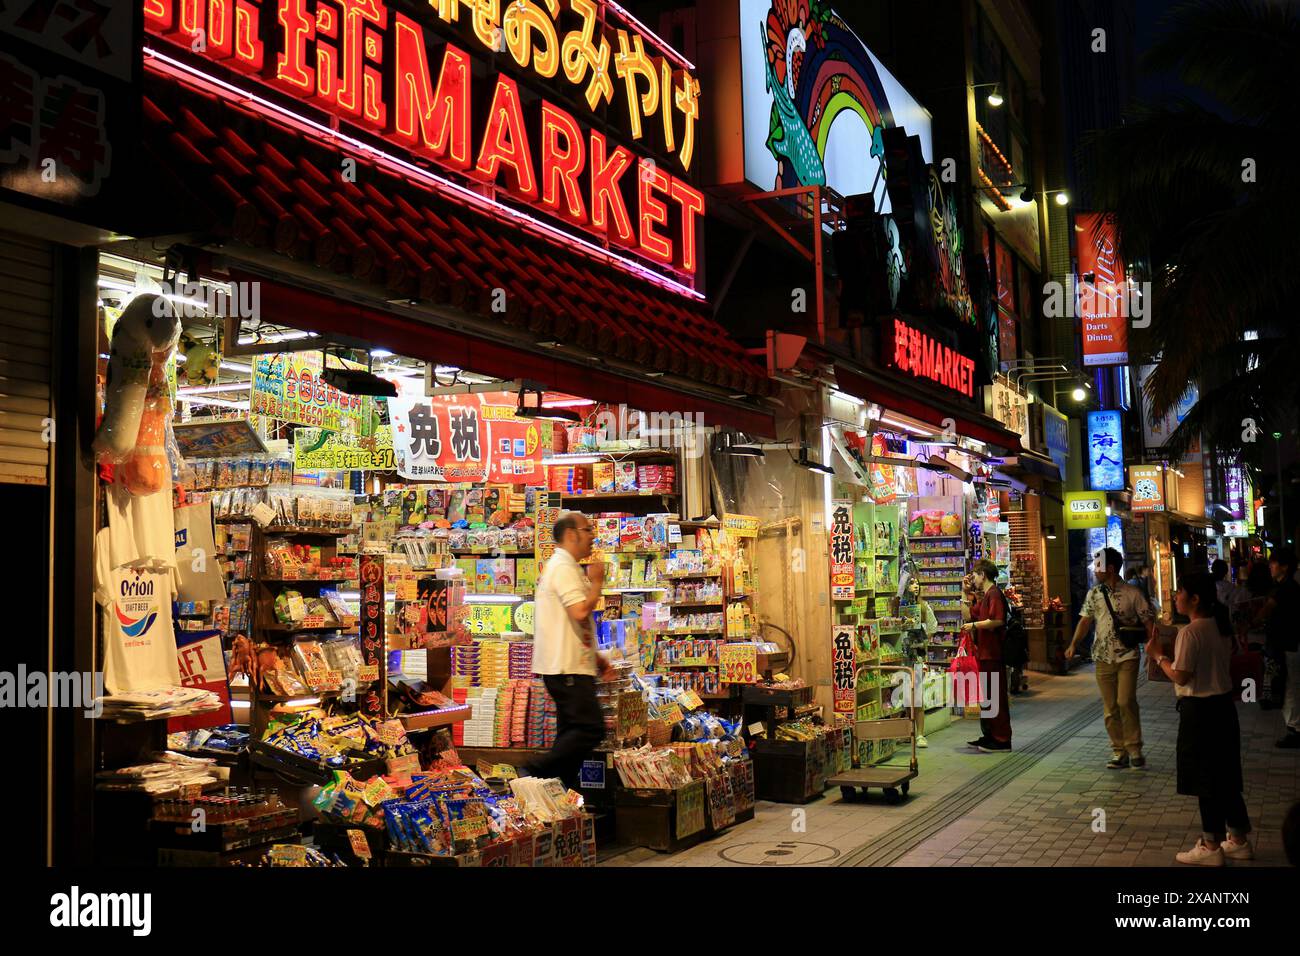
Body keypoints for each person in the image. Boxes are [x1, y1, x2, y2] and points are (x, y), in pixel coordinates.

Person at [1146, 572, 1253, 865]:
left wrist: (1158, 656)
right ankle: (1238, 839)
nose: (1175, 595)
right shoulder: (1221, 627)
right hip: (1224, 709)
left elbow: (1181, 675)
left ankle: (1210, 845)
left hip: (1200, 712)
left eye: (1180, 591)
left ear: (1194, 599)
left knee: (1206, 780)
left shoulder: (1190, 633)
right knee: (1227, 776)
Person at [518, 512, 617, 787]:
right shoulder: (562, 567)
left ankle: (562, 793)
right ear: (571, 534)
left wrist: (596, 659)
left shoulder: (568, 567)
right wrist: (597, 582)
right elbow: (580, 611)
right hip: (566, 669)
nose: (592, 537)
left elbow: (575, 624)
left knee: (571, 733)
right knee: (590, 728)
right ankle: (533, 771)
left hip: (572, 666)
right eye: (588, 531)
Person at [1064, 548, 1157, 769]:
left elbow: (1149, 623)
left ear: (1111, 568)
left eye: (1098, 566)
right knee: (1110, 708)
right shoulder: (1094, 594)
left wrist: (1154, 652)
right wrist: (1073, 644)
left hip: (1127, 655)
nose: (1095, 570)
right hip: (1102, 657)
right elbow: (1085, 621)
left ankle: (1134, 748)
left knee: (1125, 701)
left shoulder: (1133, 593)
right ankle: (1119, 751)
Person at [959, 559, 1011, 753]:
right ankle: (990, 735)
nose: (973, 579)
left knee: (995, 696)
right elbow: (967, 615)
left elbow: (997, 620)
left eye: (975, 575)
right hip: (986, 654)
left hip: (993, 654)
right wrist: (964, 592)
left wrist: (974, 626)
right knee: (988, 696)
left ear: (983, 574)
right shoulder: (986, 596)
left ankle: (1001, 738)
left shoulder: (995, 594)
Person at [1255, 547, 1300, 747]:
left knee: (1290, 687)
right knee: (1288, 685)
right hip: (1287, 644)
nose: (1270, 566)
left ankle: (1295, 730)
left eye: (1274, 563)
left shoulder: (1286, 588)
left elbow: (1267, 609)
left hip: (1289, 645)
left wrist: (1249, 622)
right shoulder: (1286, 586)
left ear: (1285, 567)